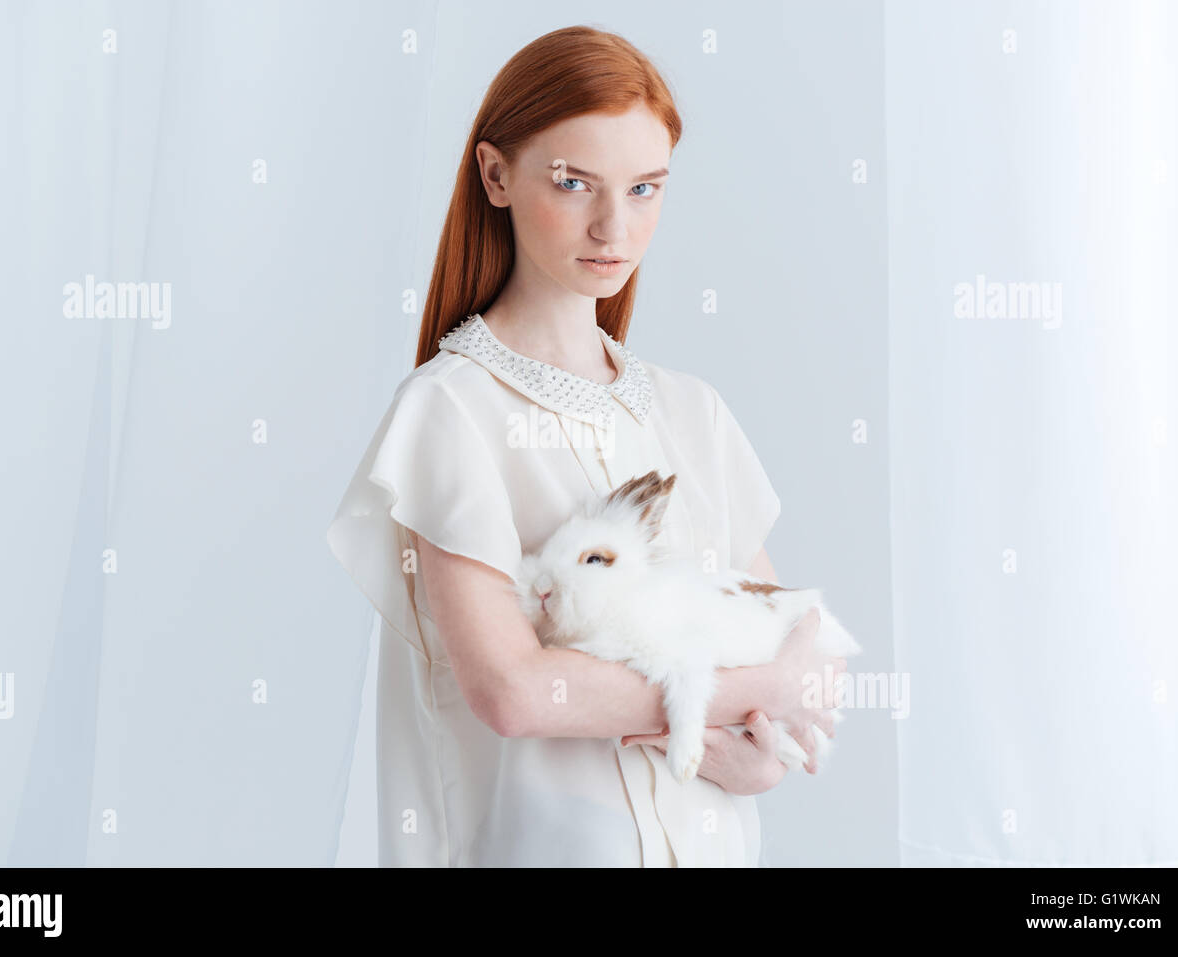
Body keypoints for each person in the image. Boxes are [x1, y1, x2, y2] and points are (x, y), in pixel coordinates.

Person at [326, 25, 845, 867]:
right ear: (495, 174)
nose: (614, 225)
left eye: (645, 188)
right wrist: (747, 694)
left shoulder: (694, 414)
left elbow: (787, 639)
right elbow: (514, 691)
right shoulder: (449, 412)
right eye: (574, 183)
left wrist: (765, 744)